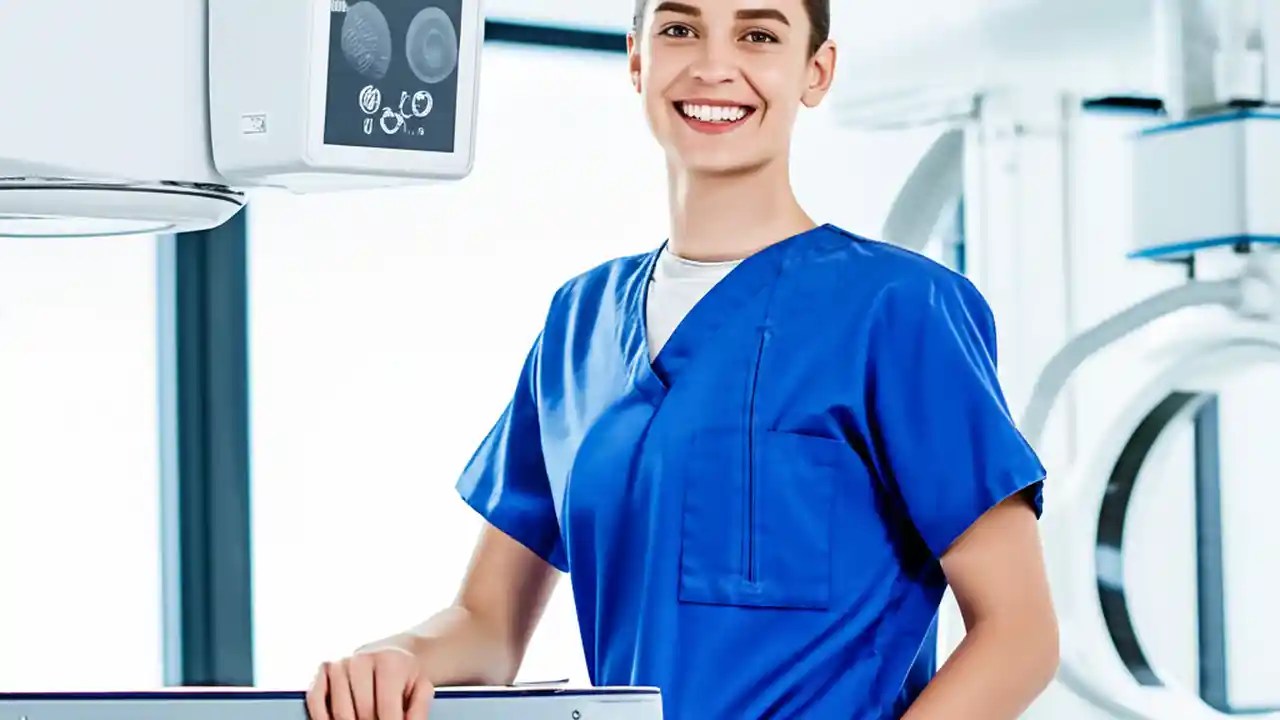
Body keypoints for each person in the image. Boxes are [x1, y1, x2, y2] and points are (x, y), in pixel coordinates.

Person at [305, 0, 1060, 717]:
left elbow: (1019, 634)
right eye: (679, 29)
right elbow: (487, 624)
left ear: (816, 72)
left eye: (758, 36)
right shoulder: (580, 323)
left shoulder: (899, 310)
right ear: (636, 58)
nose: (713, 66)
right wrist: (396, 655)